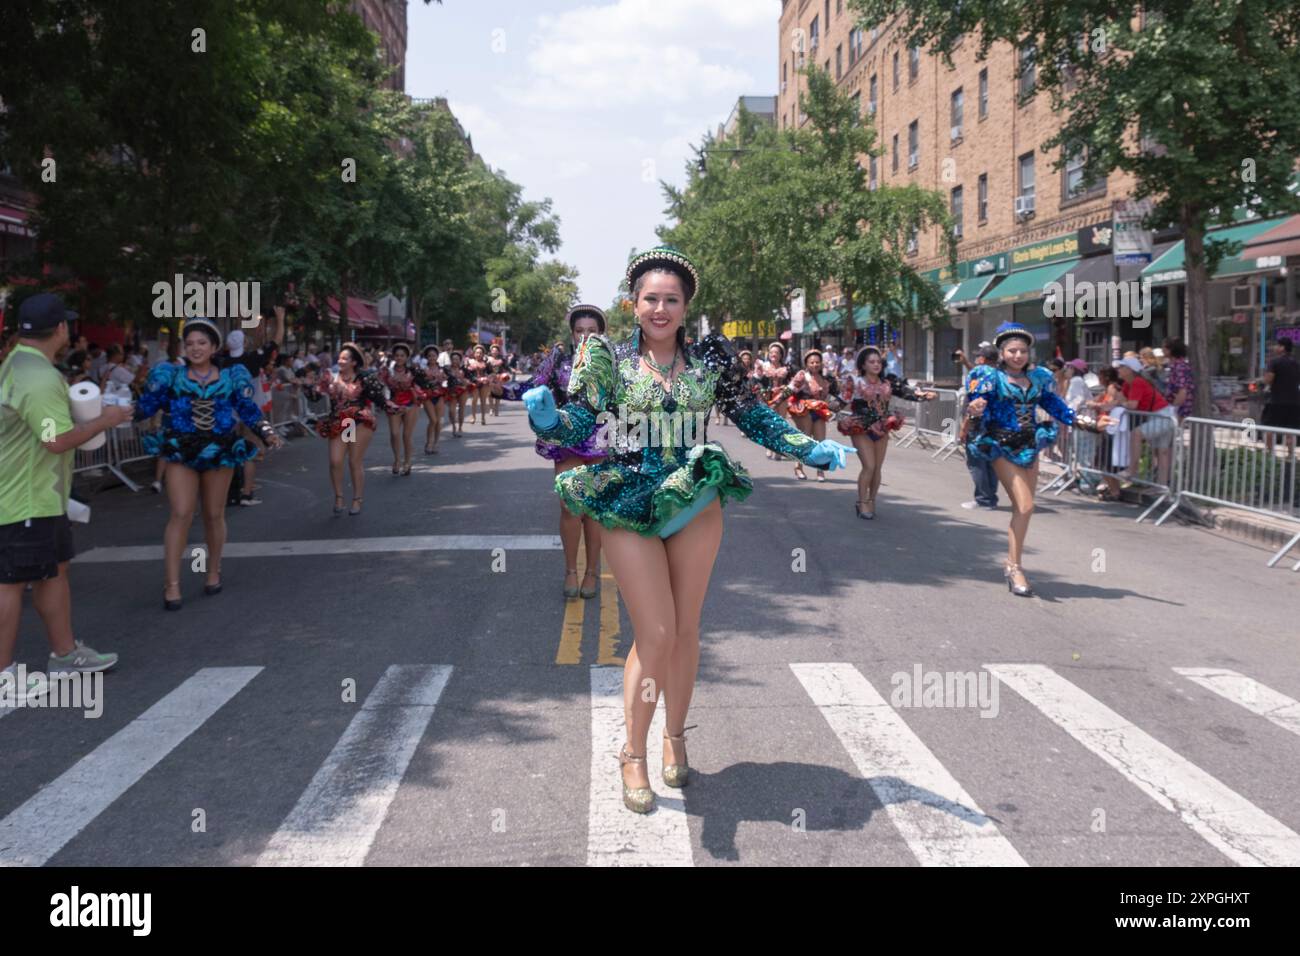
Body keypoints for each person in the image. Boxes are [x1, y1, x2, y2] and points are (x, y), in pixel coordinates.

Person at [523, 247, 849, 814]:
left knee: (687, 630)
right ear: (633, 303)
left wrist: (807, 447)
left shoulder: (709, 363)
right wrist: (551, 418)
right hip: (628, 496)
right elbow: (582, 418)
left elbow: (752, 415)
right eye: (651, 298)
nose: (660, 308)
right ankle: (633, 753)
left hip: (696, 497)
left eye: (671, 299)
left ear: (686, 306)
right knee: (654, 633)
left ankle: (676, 738)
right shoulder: (607, 360)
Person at [1, 294, 129, 697]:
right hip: (23, 497)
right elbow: (55, 440)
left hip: (41, 495)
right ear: (60, 329)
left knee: (54, 572)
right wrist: (106, 419)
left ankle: (64, 654)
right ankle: (3, 675)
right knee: (9, 583)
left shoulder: (24, 364)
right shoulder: (37, 376)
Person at [135, 319, 283, 609]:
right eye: (189, 343)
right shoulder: (171, 376)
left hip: (220, 450)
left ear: (214, 347)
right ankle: (172, 584)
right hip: (182, 450)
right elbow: (144, 408)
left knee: (213, 515)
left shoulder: (232, 377)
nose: (195, 348)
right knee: (181, 513)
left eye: (202, 343)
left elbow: (247, 410)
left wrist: (266, 432)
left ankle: (212, 570)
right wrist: (115, 410)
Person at [965, 322, 1104, 595]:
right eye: (1012, 351)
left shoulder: (1039, 377)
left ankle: (1011, 562)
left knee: (1023, 509)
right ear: (1002, 353)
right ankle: (1016, 569)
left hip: (1030, 444)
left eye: (1023, 351)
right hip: (1000, 444)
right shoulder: (989, 377)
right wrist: (975, 409)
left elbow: (1054, 405)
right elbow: (976, 403)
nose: (1018, 356)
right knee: (1026, 506)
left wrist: (1084, 421)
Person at [502, 305, 609, 598]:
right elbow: (534, 387)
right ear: (572, 333)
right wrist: (501, 390)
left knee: (595, 510)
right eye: (579, 331)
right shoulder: (559, 360)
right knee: (569, 507)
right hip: (566, 440)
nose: (585, 336)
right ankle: (571, 570)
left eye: (592, 331)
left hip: (601, 441)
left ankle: (592, 572)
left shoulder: (614, 363)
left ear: (601, 333)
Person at [837, 346, 938, 518]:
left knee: (877, 468)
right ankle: (861, 503)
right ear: (863, 364)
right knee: (868, 466)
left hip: (882, 426)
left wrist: (921, 395)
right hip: (860, 426)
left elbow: (905, 391)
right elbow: (841, 401)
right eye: (871, 362)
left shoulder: (887, 381)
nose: (876, 365)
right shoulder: (854, 381)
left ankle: (871, 501)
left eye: (878, 361)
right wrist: (824, 407)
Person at [304, 343, 395, 515]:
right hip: (341, 422)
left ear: (353, 362)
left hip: (358, 420)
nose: (340, 360)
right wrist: (307, 385)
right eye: (340, 357)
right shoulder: (330, 377)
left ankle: (357, 498)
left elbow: (379, 399)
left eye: (345, 358)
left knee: (354, 461)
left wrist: (392, 407)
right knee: (335, 461)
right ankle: (339, 496)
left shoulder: (363, 379)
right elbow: (315, 396)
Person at [1113, 356, 1175, 486]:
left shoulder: (1137, 382)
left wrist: (1121, 400)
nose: (1118, 369)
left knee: (1137, 434)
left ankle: (1132, 470)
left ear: (1130, 370)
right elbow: (1120, 402)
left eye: (1122, 367)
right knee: (1161, 452)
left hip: (1163, 415)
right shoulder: (1127, 384)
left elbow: (1132, 405)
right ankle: (1162, 486)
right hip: (1161, 415)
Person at [785, 349, 840, 481]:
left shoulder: (826, 378)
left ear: (821, 363)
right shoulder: (802, 376)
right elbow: (789, 390)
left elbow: (835, 396)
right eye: (812, 362)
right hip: (805, 411)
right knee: (805, 440)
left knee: (821, 442)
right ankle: (798, 467)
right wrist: (776, 401)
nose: (815, 364)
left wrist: (835, 405)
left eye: (817, 362)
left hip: (819, 412)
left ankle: (820, 471)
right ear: (806, 363)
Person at [960, 344, 1002, 510]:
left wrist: (964, 427)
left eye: (978, 357)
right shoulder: (999, 375)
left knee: (976, 462)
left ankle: (983, 499)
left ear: (983, 359)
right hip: (995, 425)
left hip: (979, 426)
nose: (976, 360)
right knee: (990, 463)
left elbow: (977, 405)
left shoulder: (983, 376)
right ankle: (990, 498)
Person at [379, 343, 427, 475]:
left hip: (410, 404)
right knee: (394, 433)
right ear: (393, 357)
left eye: (402, 355)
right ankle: (397, 460)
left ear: (407, 357)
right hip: (393, 404)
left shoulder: (413, 371)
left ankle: (408, 461)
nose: (399, 358)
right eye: (397, 355)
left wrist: (417, 392)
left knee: (406, 435)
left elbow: (421, 385)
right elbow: (379, 385)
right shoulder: (387, 371)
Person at [1262, 337, 1300, 447]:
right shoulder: (1296, 364)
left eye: (1277, 345)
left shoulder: (1274, 362)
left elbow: (1268, 380)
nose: (1275, 347)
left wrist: (1263, 380)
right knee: (1291, 431)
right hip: (1294, 402)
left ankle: (1269, 455)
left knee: (1269, 428)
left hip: (1277, 401)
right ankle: (1290, 456)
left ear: (1282, 348)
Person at [1162, 338, 1196, 420]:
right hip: (1174, 407)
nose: (1162, 349)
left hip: (1179, 410)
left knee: (1175, 431)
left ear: (1171, 350)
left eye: (1164, 347)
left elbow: (1183, 391)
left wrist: (1173, 410)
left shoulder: (1180, 367)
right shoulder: (1174, 366)